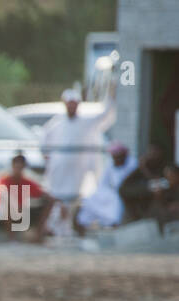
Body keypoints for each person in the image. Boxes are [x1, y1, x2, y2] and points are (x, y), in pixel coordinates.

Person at [40, 80, 117, 239]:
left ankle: (67, 229)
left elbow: (105, 115)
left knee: (72, 200)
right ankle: (53, 229)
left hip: (76, 170)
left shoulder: (85, 122)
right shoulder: (56, 123)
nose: (71, 106)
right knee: (56, 199)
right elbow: (44, 141)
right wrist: (47, 157)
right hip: (58, 170)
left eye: (74, 104)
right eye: (69, 103)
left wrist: (111, 93)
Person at [77, 142, 135, 230]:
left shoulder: (132, 163)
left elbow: (123, 183)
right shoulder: (111, 164)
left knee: (115, 202)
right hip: (111, 191)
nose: (116, 158)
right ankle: (84, 225)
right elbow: (103, 183)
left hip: (125, 192)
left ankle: (113, 224)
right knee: (91, 199)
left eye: (118, 156)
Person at [0, 152, 47, 236]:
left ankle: (38, 235)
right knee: (7, 203)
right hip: (0, 214)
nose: (18, 168)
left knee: (47, 202)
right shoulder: (4, 179)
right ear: (13, 166)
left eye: (20, 165)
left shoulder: (27, 181)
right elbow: (1, 194)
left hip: (17, 213)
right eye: (17, 165)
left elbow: (44, 194)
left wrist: (61, 205)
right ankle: (11, 237)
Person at [118, 143, 167, 223]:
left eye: (155, 152)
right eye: (150, 152)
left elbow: (157, 182)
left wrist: (144, 169)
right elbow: (123, 186)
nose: (151, 155)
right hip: (144, 195)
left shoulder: (164, 166)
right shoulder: (144, 165)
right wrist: (142, 167)